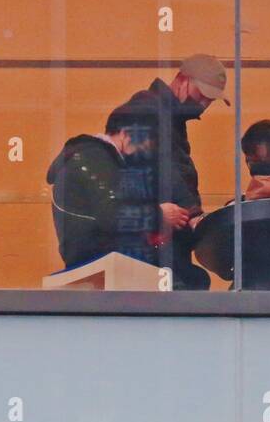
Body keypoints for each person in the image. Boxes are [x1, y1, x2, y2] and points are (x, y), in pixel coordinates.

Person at [122, 54, 230, 290]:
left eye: (210, 99)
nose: (203, 104)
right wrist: (193, 214)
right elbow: (161, 164)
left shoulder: (165, 115)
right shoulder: (147, 108)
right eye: (202, 94)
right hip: (153, 242)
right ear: (182, 79)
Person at [46, 101, 181, 272]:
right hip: (99, 265)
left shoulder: (92, 157)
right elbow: (112, 214)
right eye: (146, 146)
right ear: (127, 134)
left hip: (92, 263)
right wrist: (161, 215)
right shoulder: (94, 157)